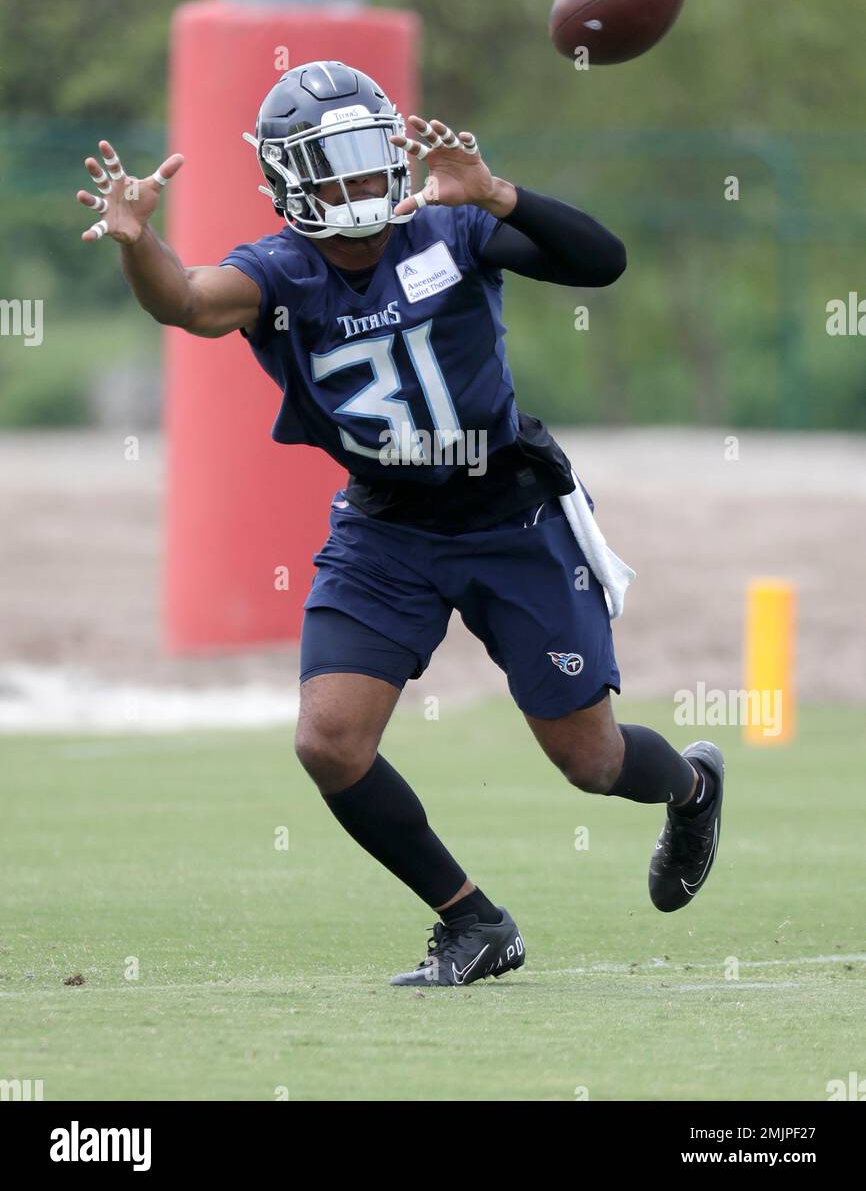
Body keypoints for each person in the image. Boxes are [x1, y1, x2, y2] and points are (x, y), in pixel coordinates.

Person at [77, 60, 724, 987]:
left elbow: (603, 263)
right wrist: (138, 238)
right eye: (328, 164)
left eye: (365, 156)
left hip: (512, 511)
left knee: (592, 761)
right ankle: (474, 923)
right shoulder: (280, 272)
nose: (355, 182)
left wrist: (498, 193)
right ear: (290, 179)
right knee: (328, 740)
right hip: (386, 526)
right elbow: (183, 300)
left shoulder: (451, 231)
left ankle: (694, 789)